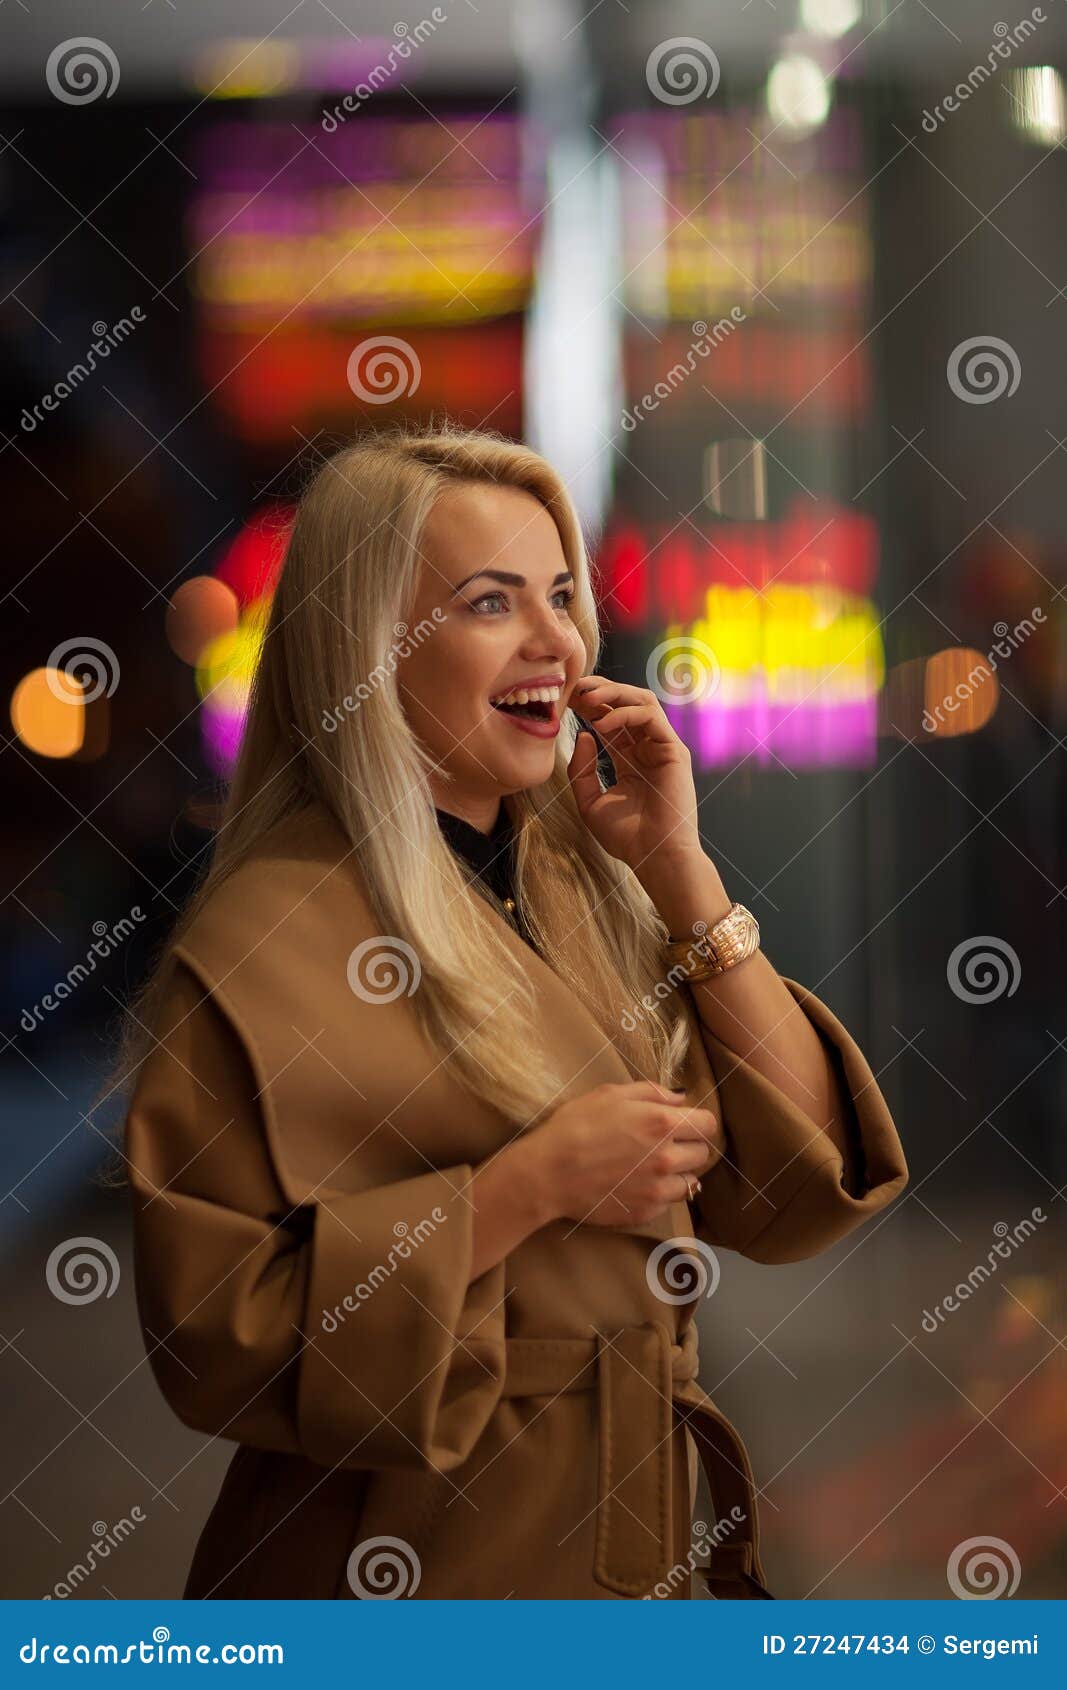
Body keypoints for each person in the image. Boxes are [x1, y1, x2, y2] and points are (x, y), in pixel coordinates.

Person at [116, 423, 908, 1600]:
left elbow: (800, 1182)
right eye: (491, 603)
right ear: (364, 648)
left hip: (630, 1541)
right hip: (401, 1576)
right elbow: (213, 1343)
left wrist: (681, 867)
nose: (557, 641)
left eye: (557, 594)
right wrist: (522, 1189)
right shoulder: (260, 944)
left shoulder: (585, 887)